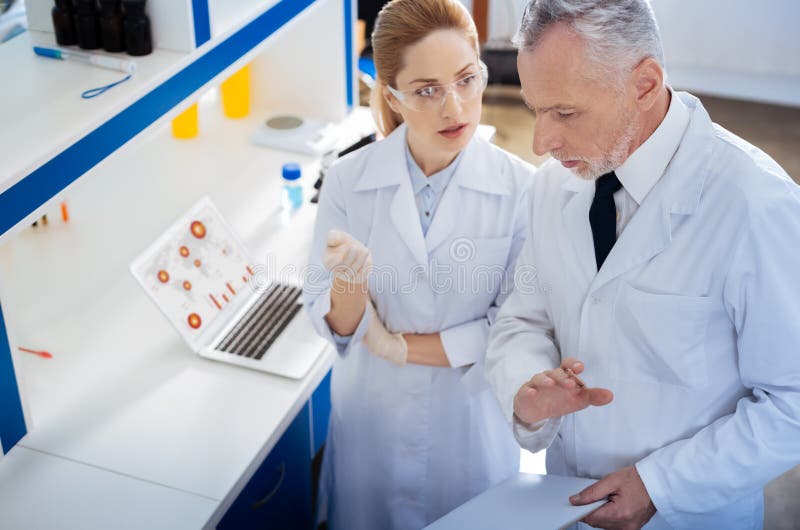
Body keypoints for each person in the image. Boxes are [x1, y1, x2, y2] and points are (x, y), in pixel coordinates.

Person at [485, 0, 800, 528]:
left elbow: (793, 402)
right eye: (534, 109)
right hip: (564, 506)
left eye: (565, 113)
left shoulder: (756, 205)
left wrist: (662, 484)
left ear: (645, 84)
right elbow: (525, 318)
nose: (541, 143)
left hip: (688, 515)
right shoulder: (551, 187)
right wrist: (527, 387)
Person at [303, 0, 535, 528]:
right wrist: (347, 287)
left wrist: (398, 347)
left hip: (469, 429)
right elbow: (332, 322)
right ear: (392, 96)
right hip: (372, 425)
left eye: (466, 80)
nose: (454, 108)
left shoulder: (523, 188)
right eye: (427, 90)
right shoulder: (347, 181)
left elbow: (516, 325)